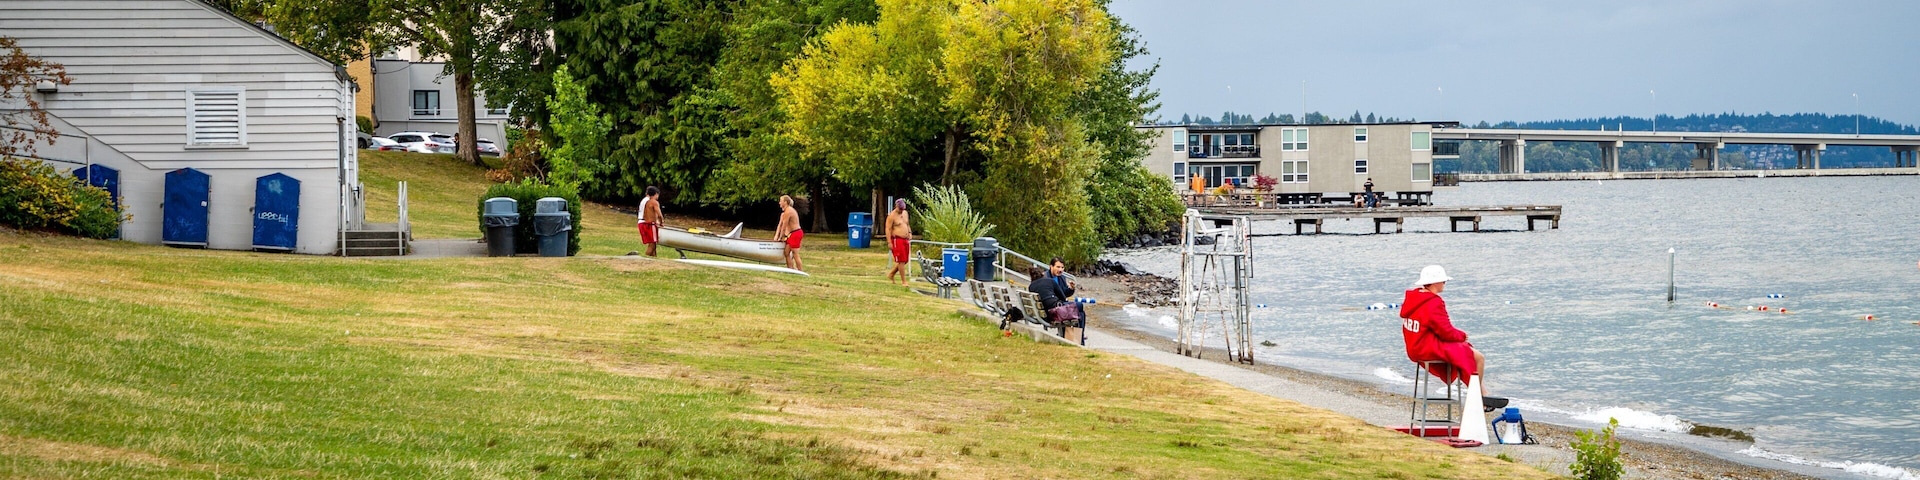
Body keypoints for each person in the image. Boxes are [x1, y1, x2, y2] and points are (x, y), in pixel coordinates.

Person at [1399, 265, 1488, 396]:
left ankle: (1483, 394)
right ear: (1435, 282)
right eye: (1444, 281)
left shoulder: (1414, 298)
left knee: (1468, 352)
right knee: (1478, 357)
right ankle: (1477, 397)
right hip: (1427, 348)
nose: (1444, 284)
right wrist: (1462, 335)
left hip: (1415, 348)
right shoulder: (1433, 302)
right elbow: (1445, 331)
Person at [884, 198, 912, 286]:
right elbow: (888, 229)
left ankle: (891, 274)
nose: (901, 211)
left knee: (905, 260)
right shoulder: (891, 216)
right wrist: (889, 242)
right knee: (901, 261)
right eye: (900, 209)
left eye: (902, 209)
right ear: (896, 206)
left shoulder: (905, 213)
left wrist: (910, 232)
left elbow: (907, 224)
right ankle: (904, 281)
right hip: (897, 239)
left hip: (905, 240)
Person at [775, 195, 804, 272]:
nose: (779, 203)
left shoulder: (788, 211)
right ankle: (790, 269)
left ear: (785, 202)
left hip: (796, 233)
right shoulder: (786, 211)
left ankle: (800, 271)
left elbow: (783, 227)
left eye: (781, 201)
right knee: (786, 252)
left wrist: (780, 238)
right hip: (792, 234)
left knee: (795, 253)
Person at [636, 186, 663, 257]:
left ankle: (654, 259)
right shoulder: (653, 202)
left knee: (653, 244)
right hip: (648, 224)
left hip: (641, 222)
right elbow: (659, 214)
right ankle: (645, 258)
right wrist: (661, 222)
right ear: (656, 194)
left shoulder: (644, 200)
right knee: (652, 244)